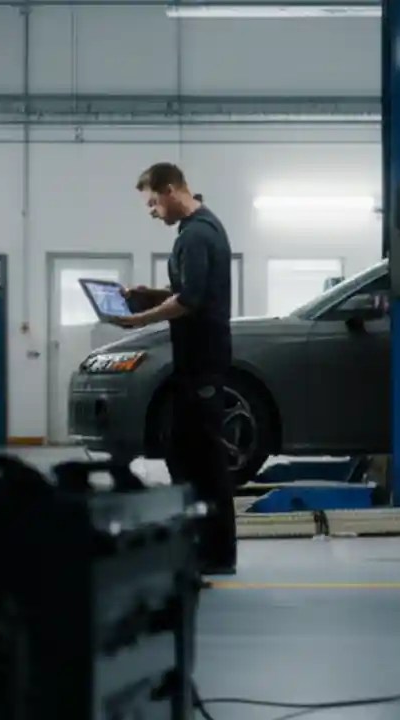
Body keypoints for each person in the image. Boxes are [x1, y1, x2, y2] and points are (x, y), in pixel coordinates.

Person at [112, 162, 236, 576]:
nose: (151, 211)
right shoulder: (201, 228)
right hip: (199, 361)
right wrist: (149, 295)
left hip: (201, 361)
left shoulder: (196, 234)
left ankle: (216, 553)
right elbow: (188, 288)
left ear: (169, 190)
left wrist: (138, 320)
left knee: (203, 459)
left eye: (152, 202)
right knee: (186, 452)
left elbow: (190, 300)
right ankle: (204, 548)